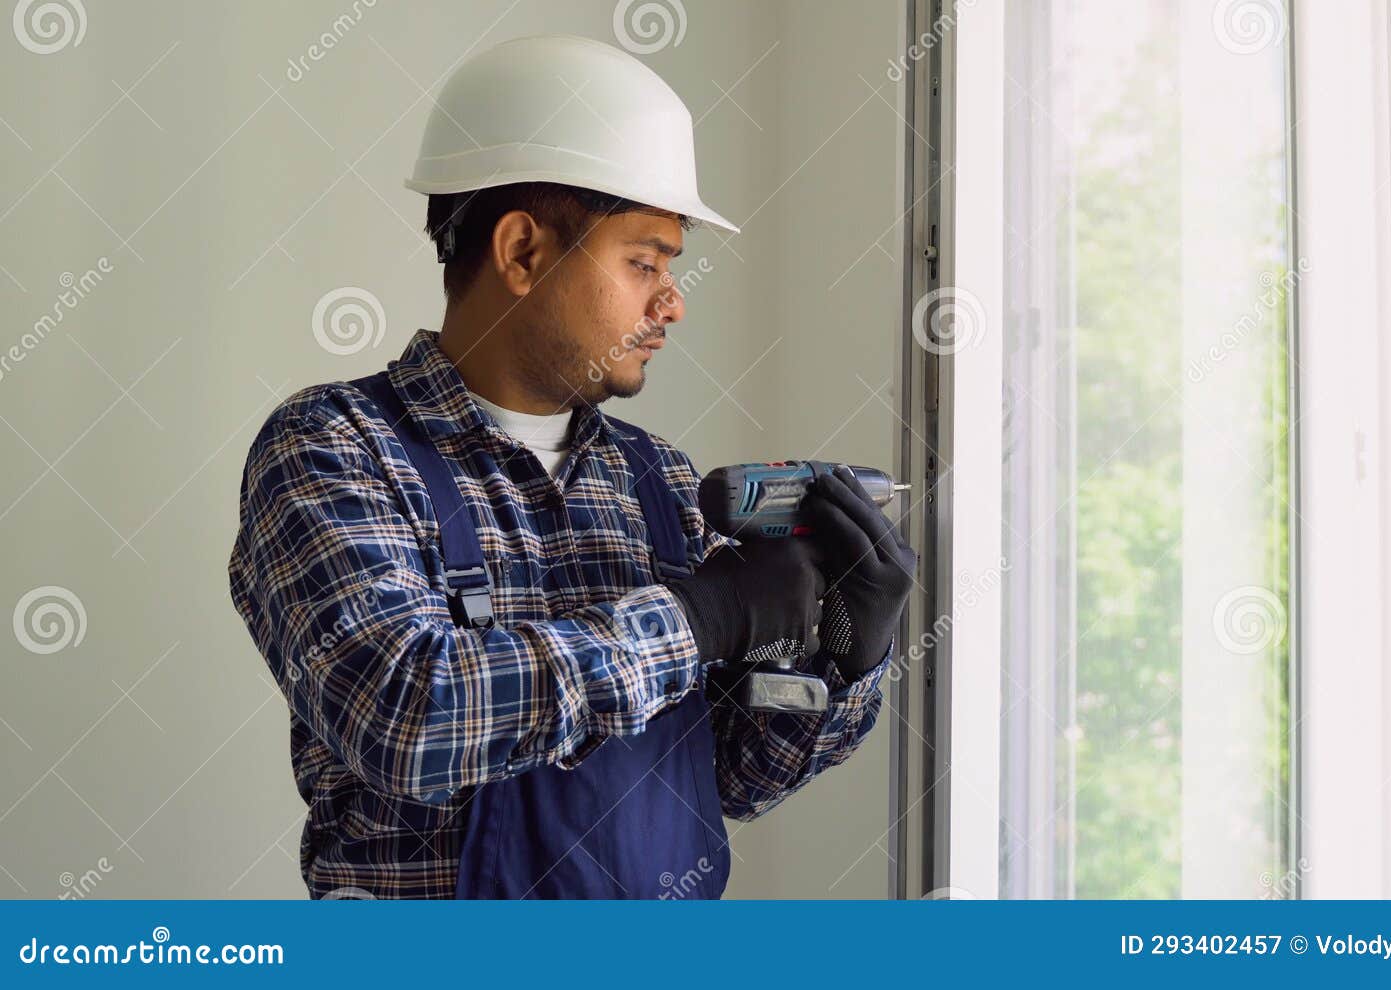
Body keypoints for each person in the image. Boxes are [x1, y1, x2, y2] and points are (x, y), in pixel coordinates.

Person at [226, 34, 916, 899]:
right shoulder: (335, 448)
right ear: (521, 252)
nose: (673, 302)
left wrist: (845, 657)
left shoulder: (657, 480)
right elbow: (409, 716)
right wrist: (707, 615)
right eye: (643, 263)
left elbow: (734, 778)